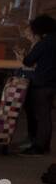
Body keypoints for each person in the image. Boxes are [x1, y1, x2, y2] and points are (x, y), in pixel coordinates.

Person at [15, 13, 56, 155]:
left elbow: (28, 61)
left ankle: (39, 146)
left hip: (41, 82)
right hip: (52, 83)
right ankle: (43, 145)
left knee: (41, 115)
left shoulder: (44, 43)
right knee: (46, 116)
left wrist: (22, 57)